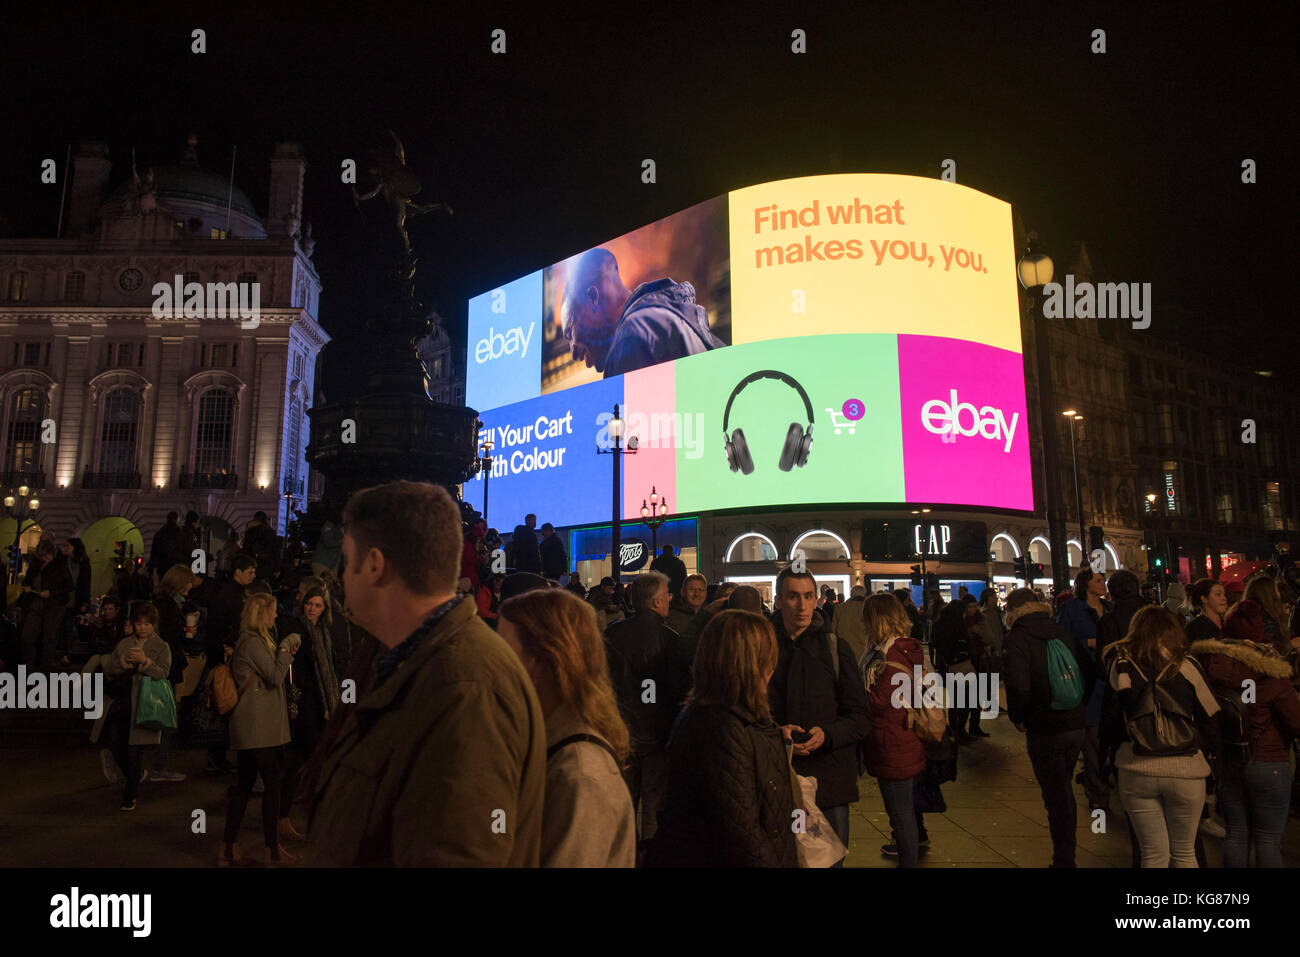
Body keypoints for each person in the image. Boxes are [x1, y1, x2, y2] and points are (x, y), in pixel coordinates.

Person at [304, 481, 546, 866]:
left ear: (374, 566)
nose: (341, 577)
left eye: (347, 561)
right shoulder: (406, 661)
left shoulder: (465, 689)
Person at [647, 610, 797, 867]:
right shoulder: (721, 726)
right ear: (752, 664)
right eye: (767, 657)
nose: (773, 667)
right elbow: (741, 835)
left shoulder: (731, 718)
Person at [498, 588, 636, 867]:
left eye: (504, 650)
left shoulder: (579, 772)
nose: (496, 663)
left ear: (543, 659)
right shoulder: (554, 745)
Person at [1100, 606, 1220, 868]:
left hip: (1136, 768)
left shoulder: (1120, 666)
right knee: (1186, 853)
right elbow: (1210, 716)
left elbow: (1109, 720)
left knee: (1153, 856)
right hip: (1186, 769)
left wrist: (1105, 762)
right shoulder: (1187, 666)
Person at [768, 568, 871, 861]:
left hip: (829, 780)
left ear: (817, 599)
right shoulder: (761, 646)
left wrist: (828, 735)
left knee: (829, 860)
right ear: (778, 601)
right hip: (778, 777)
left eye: (808, 596)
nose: (801, 605)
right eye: (792, 596)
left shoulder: (835, 648)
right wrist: (776, 732)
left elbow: (860, 717)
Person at [1191, 600, 1300, 867]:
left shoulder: (1208, 666)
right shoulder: (1271, 673)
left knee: (1236, 833)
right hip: (1268, 761)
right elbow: (1296, 722)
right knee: (1268, 839)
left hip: (1229, 760)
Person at [1003, 587, 1096, 867]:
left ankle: (1064, 858)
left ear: (1012, 612)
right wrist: (1078, 705)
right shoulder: (1063, 633)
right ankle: (1067, 852)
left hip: (1044, 727)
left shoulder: (1017, 638)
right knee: (1063, 788)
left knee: (1056, 795)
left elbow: (1018, 685)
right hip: (1074, 723)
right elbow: (1089, 672)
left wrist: (1019, 717)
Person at [219, 593, 299, 867]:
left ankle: (228, 848)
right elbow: (275, 676)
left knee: (243, 786)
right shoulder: (253, 643)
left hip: (253, 727)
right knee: (273, 784)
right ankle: (272, 850)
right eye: (273, 611)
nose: (276, 616)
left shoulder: (252, 640)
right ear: (261, 614)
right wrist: (288, 648)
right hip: (257, 728)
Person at [560, 247, 724, 378]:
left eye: (569, 332)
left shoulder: (631, 340)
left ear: (593, 298)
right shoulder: (678, 322)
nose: (573, 353)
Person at [603, 571, 677, 842]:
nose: (670, 600)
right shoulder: (669, 638)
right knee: (654, 807)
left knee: (624, 804)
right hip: (658, 736)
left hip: (622, 733)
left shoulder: (613, 634)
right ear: (657, 602)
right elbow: (674, 691)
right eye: (667, 596)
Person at [858, 593, 928, 866]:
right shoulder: (909, 647)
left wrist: (857, 693)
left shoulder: (889, 654)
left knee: (900, 814)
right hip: (905, 735)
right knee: (904, 811)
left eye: (866, 619)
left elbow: (881, 701)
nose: (863, 624)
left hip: (892, 741)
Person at [96, 602, 173, 811]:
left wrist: (146, 662)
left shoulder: (161, 646)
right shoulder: (124, 643)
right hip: (121, 702)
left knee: (133, 751)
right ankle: (136, 776)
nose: (142, 628)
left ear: (154, 625)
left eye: (147, 624)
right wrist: (123, 663)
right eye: (139, 624)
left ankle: (129, 796)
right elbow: (109, 667)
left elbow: (164, 673)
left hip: (143, 704)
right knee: (115, 745)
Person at [281, 586, 340, 845]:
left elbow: (330, 669)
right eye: (309, 604)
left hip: (321, 704)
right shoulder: (297, 629)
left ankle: (289, 816)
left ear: (325, 608)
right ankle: (288, 817)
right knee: (303, 760)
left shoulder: (323, 633)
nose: (312, 609)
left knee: (305, 761)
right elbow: (297, 670)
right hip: (305, 705)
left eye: (317, 605)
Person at [1056, 567, 1111, 813]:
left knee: (1105, 740)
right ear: (1085, 584)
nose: (1103, 584)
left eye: (1104, 580)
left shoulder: (1108, 609)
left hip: (1110, 679)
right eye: (1098, 580)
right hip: (1086, 680)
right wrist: (1088, 642)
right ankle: (1096, 790)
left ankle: (1098, 779)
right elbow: (1062, 640)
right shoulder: (1072, 609)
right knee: (1093, 741)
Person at [149, 565, 197, 782]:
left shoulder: (168, 604)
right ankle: (158, 766)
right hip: (166, 668)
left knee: (164, 716)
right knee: (167, 717)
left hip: (165, 666)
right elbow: (168, 639)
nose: (191, 585)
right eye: (188, 581)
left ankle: (156, 764)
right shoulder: (168, 607)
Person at [19, 541, 73, 670]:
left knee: (49, 638)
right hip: (36, 602)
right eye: (42, 557)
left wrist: (51, 593)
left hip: (55, 604)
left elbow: (69, 585)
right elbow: (29, 578)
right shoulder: (36, 563)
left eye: (46, 556)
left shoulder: (61, 564)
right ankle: (29, 666)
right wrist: (27, 586)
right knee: (27, 636)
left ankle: (44, 669)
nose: (44, 559)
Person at [932, 601, 978, 743]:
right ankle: (960, 730)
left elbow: (936, 645)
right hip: (961, 666)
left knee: (956, 701)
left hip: (948, 667)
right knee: (964, 701)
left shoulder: (940, 624)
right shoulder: (957, 625)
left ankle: (956, 730)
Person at [1244, 577, 1292, 653]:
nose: (1279, 594)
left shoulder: (1247, 615)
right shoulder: (1268, 618)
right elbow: (1275, 647)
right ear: (1270, 593)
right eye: (1276, 590)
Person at [833, 584, 870, 663]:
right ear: (864, 594)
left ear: (851, 594)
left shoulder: (839, 608)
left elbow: (833, 630)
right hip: (864, 650)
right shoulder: (869, 608)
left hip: (844, 650)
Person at [242, 511, 281, 582]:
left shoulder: (250, 532)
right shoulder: (270, 532)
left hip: (252, 564)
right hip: (267, 565)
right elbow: (276, 551)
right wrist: (277, 568)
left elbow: (246, 549)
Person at [148, 512, 185, 580]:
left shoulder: (160, 532)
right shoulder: (180, 532)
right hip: (175, 566)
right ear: (177, 519)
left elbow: (155, 552)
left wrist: (154, 568)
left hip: (162, 566)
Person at [979, 587, 1005, 667]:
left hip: (993, 649)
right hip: (993, 649)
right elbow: (995, 632)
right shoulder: (988, 613)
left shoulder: (992, 611)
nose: (996, 598)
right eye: (994, 596)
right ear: (989, 598)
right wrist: (997, 648)